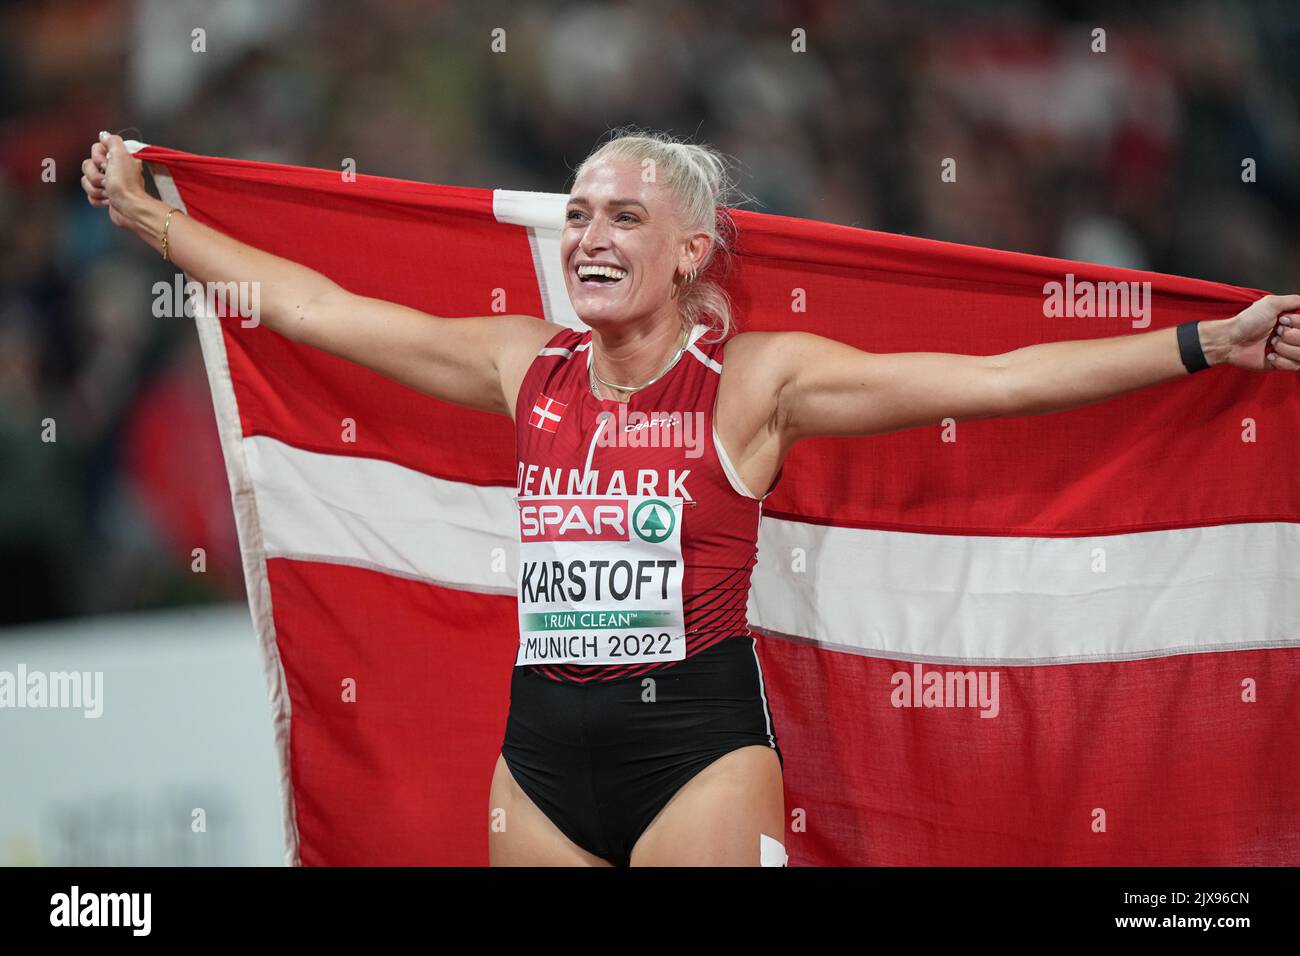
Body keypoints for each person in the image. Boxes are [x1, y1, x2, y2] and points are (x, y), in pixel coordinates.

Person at [82, 126, 1300, 867]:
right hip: (539, 761)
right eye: (576, 217)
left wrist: (1199, 345)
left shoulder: (754, 383)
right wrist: (150, 220)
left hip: (698, 755)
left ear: (689, 250)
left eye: (624, 216)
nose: (589, 236)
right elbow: (316, 308)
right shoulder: (523, 364)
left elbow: (992, 380)